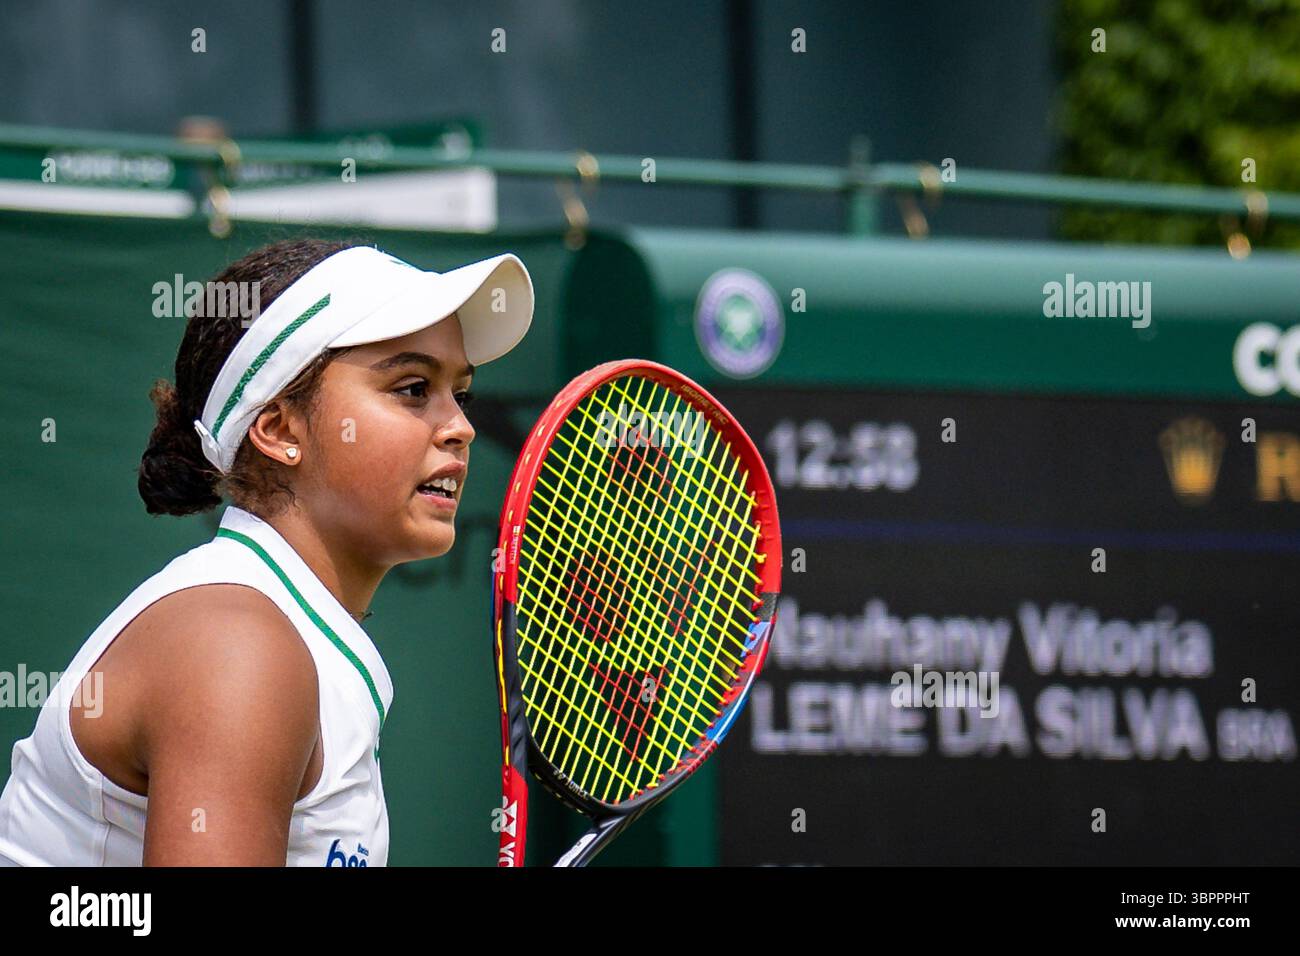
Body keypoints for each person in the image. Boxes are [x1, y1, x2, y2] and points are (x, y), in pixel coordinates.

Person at [0, 237, 533, 865]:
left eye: (460, 394)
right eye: (413, 388)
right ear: (280, 428)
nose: (461, 426)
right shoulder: (239, 647)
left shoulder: (286, 632)